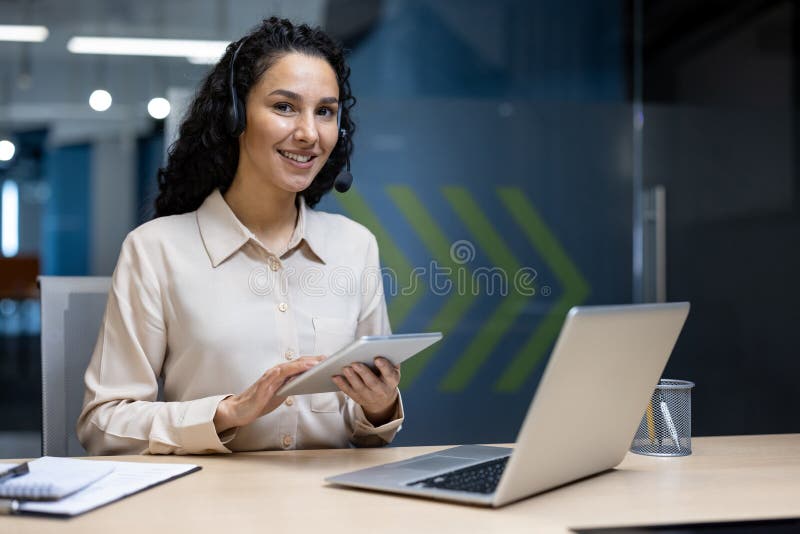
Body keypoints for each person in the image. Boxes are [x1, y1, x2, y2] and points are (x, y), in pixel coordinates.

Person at [77, 17, 403, 455]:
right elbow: (103, 424)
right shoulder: (155, 250)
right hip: (209, 510)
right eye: (285, 106)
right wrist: (227, 413)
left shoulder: (355, 245)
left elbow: (362, 429)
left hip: (330, 505)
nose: (309, 133)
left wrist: (378, 409)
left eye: (324, 111)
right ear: (235, 115)